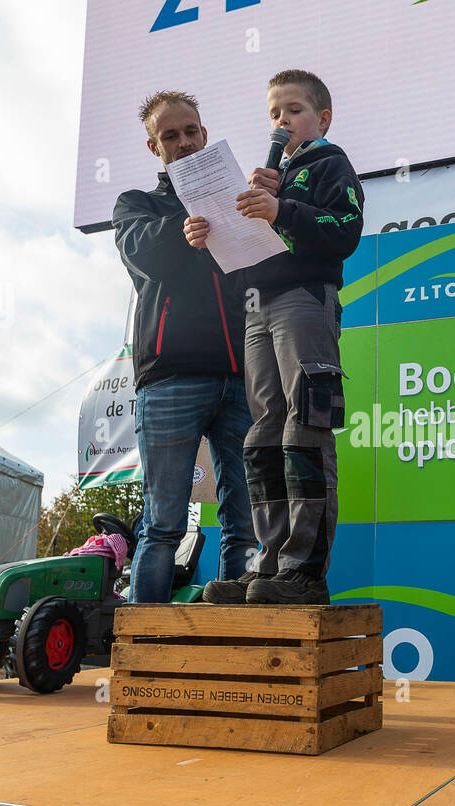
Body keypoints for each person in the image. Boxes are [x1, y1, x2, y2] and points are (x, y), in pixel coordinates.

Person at [188, 69, 363, 605]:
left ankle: (303, 571)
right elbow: (246, 258)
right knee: (263, 431)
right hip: (257, 307)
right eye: (273, 113)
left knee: (305, 422)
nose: (281, 120)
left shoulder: (330, 164)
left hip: (306, 300)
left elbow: (346, 231)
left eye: (293, 110)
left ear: (322, 118)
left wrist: (283, 207)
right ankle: (268, 563)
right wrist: (211, 235)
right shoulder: (268, 178)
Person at [113, 91, 257, 601]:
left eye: (191, 131)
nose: (185, 142)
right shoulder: (137, 205)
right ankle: (142, 651)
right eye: (170, 135)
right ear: (154, 146)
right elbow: (144, 257)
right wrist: (182, 226)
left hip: (242, 378)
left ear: (204, 130)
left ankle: (234, 641)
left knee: (246, 518)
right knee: (164, 522)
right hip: (171, 378)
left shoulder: (238, 197)